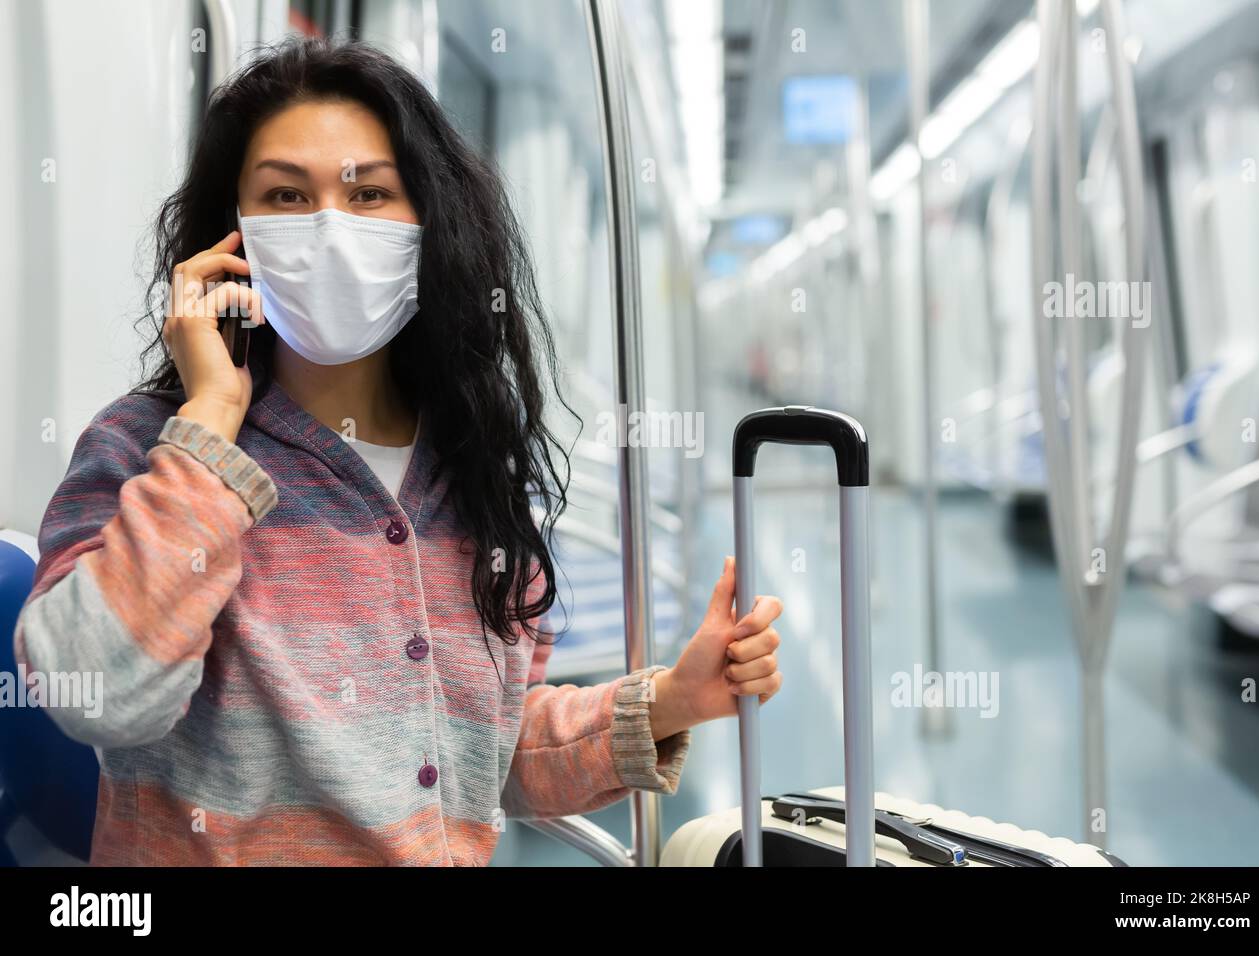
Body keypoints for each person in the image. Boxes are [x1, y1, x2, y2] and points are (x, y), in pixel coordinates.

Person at [13, 37, 783, 866]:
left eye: (369, 193)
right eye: (285, 195)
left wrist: (671, 700)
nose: (331, 228)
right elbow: (98, 694)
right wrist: (210, 422)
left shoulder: (471, 467)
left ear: (430, 223)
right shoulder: (152, 451)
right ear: (232, 238)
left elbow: (486, 752)